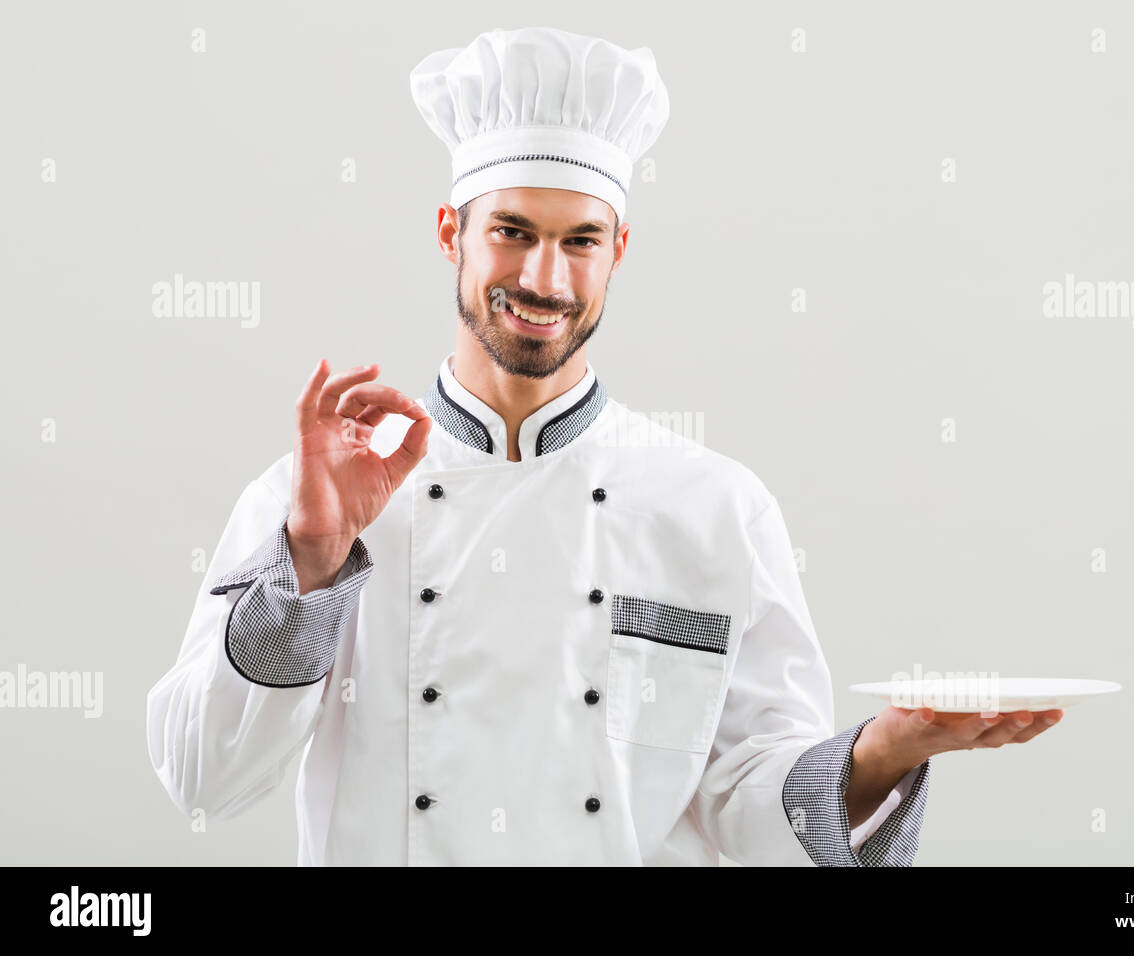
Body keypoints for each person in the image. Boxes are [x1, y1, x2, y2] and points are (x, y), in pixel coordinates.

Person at [146, 26, 1062, 866]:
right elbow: (203, 778)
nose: (544, 277)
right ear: (450, 234)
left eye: (578, 240)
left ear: (618, 248)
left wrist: (884, 752)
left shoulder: (715, 508)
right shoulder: (315, 503)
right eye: (512, 231)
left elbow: (748, 805)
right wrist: (310, 561)